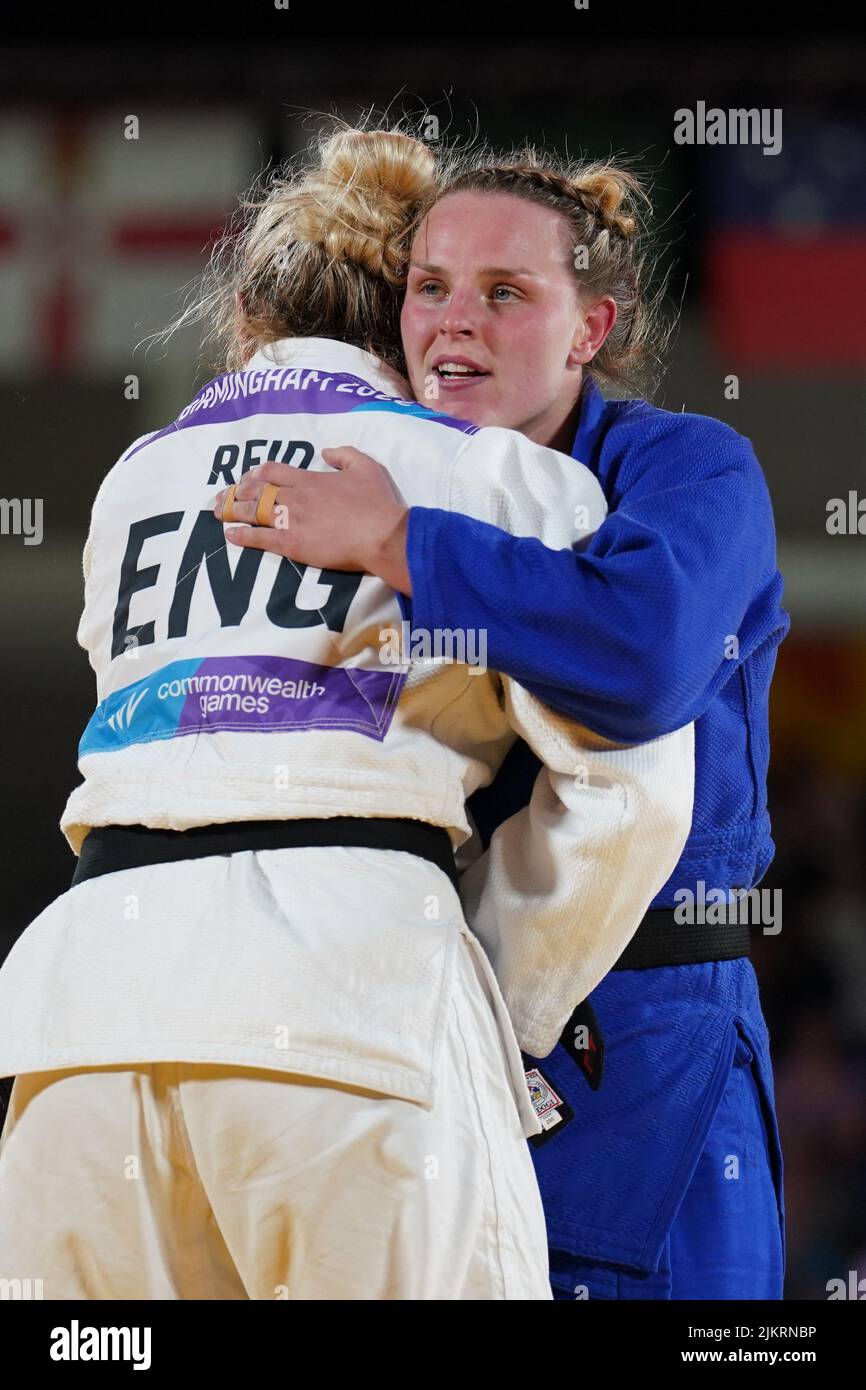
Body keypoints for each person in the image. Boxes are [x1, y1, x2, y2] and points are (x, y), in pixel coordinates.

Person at [0, 126, 694, 1301]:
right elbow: (626, 784)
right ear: (410, 314)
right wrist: (506, 1010)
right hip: (353, 1011)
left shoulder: (135, 479)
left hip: (77, 1024)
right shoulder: (496, 474)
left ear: (254, 310)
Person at [233, 142, 790, 1300]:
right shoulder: (390, 470)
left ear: (588, 328)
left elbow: (639, 655)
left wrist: (396, 543)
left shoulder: (688, 467)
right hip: (418, 1018)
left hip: (644, 1029)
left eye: (504, 293)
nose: (453, 323)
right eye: (428, 287)